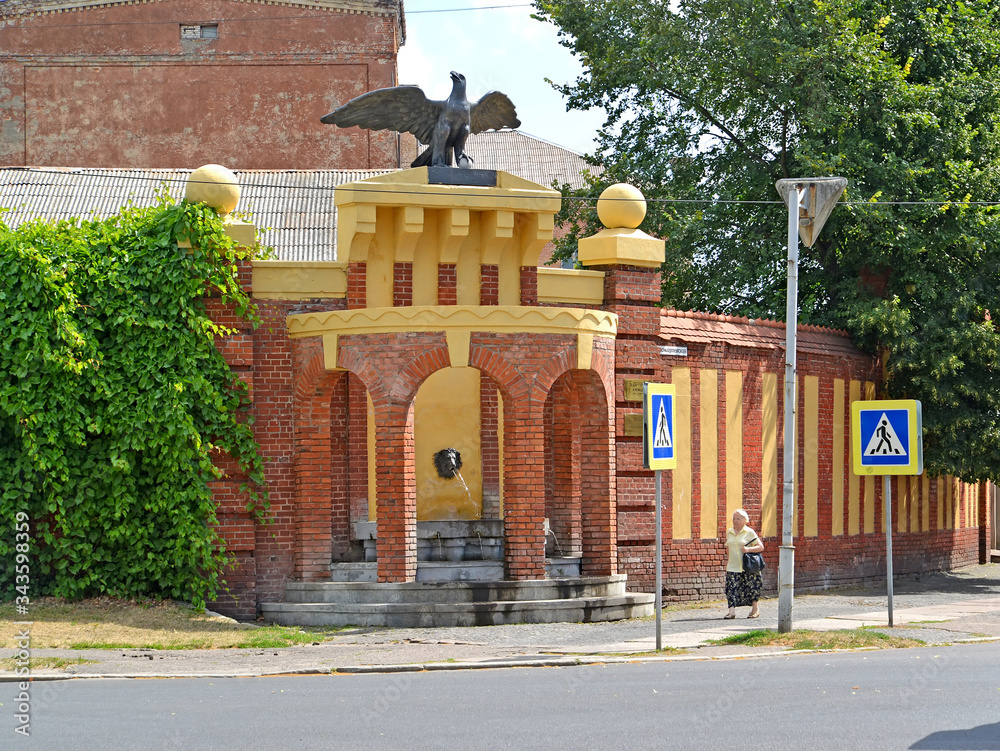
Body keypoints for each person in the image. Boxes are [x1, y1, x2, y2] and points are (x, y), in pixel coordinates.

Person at [724, 509, 764, 619]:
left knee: (752, 586)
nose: (735, 521)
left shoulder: (749, 532)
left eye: (738, 519)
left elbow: (761, 547)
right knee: (731, 588)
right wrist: (728, 562)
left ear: (745, 520)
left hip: (748, 566)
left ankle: (755, 610)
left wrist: (748, 549)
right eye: (734, 518)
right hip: (733, 565)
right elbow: (728, 547)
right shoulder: (729, 532)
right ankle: (731, 611)